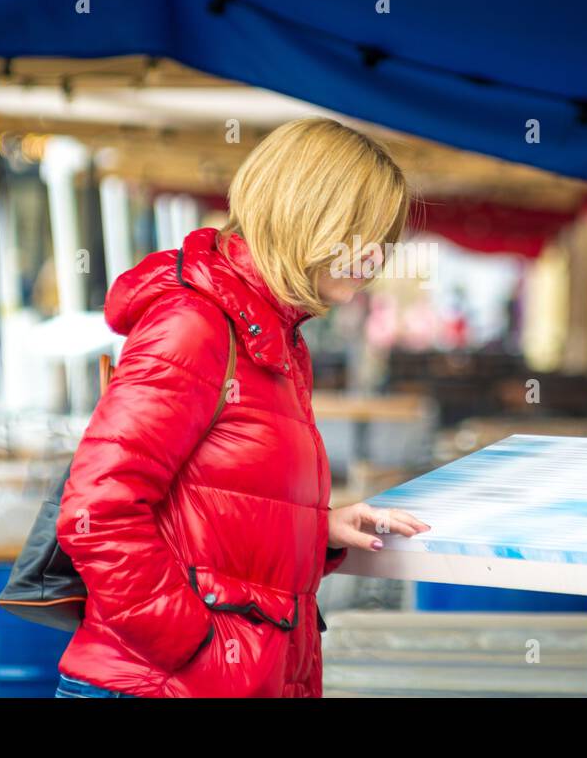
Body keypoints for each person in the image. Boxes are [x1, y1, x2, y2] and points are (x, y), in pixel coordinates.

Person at [54, 117, 429, 697]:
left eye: (383, 243)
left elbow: (213, 504)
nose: (374, 260)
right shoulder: (196, 325)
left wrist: (319, 529)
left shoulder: (273, 334)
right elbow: (97, 511)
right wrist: (202, 651)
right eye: (362, 236)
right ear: (308, 216)